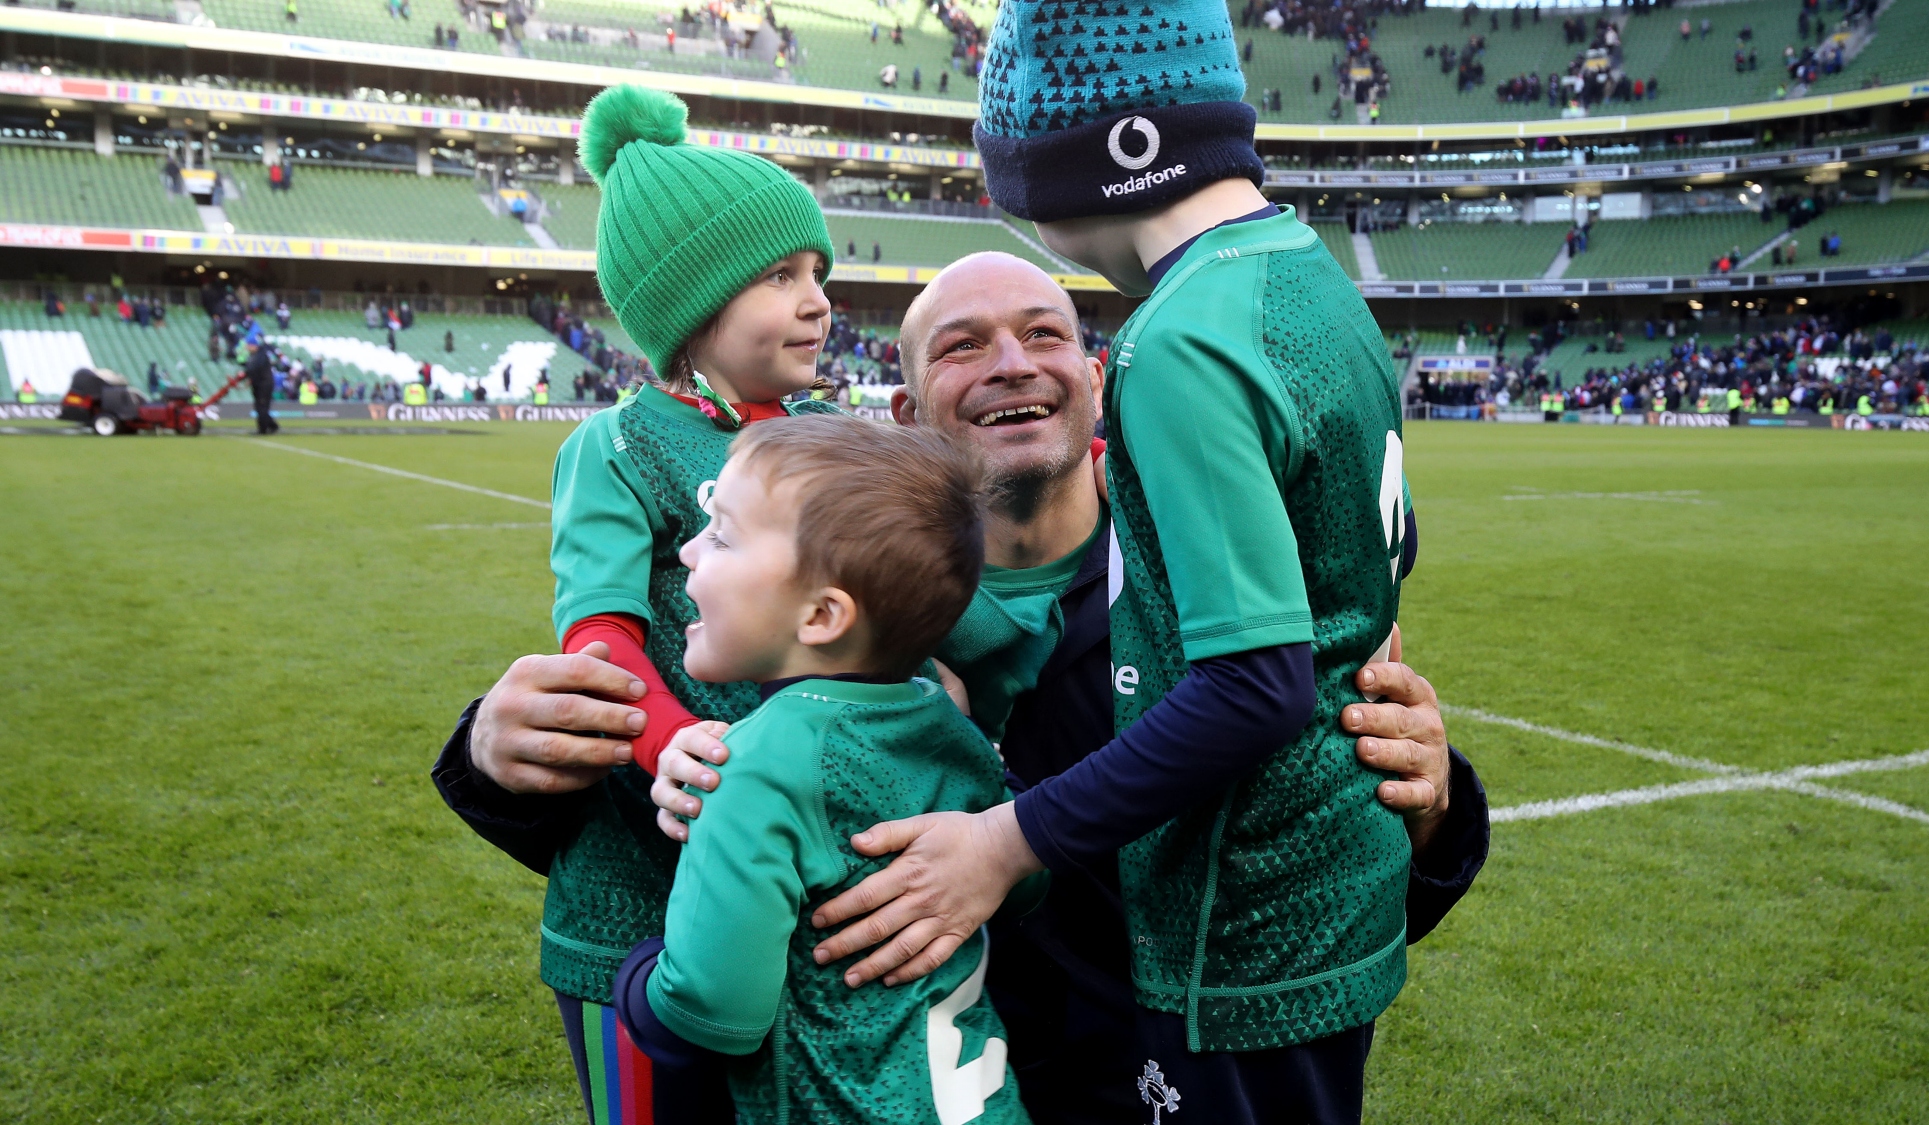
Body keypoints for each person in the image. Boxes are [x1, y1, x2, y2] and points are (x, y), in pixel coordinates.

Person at [436, 252, 1485, 1125]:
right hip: (913, 1078)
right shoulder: (818, 593)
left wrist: (1432, 811)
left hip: (1148, 1075)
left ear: (1095, 369)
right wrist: (497, 757)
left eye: (1043, 333)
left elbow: (1307, 844)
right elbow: (700, 811)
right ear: (904, 410)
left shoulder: (1213, 584)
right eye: (960, 345)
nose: (1010, 364)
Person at [849, 1, 1418, 1117]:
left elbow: (1255, 687)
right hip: (1329, 903)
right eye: (963, 346)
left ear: (1072, 161)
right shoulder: (1308, 284)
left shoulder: (1180, 335)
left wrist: (1006, 840)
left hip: (1235, 929)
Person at [449, 83, 844, 1124]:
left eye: (818, 273)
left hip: (781, 892)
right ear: (692, 302)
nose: (817, 299)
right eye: (779, 275)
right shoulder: (617, 445)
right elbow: (598, 634)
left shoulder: (820, 443)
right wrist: (666, 742)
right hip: (634, 901)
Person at [609, 414, 1035, 1124]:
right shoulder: (945, 722)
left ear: (820, 614)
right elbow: (1024, 882)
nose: (685, 551)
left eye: (720, 533)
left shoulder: (752, 767)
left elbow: (716, 1010)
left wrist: (635, 976)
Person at [243, 339, 277, 434]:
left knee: (262, 407)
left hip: (263, 385)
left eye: (249, 345)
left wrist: (246, 374)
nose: (247, 348)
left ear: (255, 346)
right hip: (259, 384)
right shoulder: (255, 356)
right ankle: (272, 425)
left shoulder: (260, 356)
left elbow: (254, 368)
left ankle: (263, 429)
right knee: (260, 407)